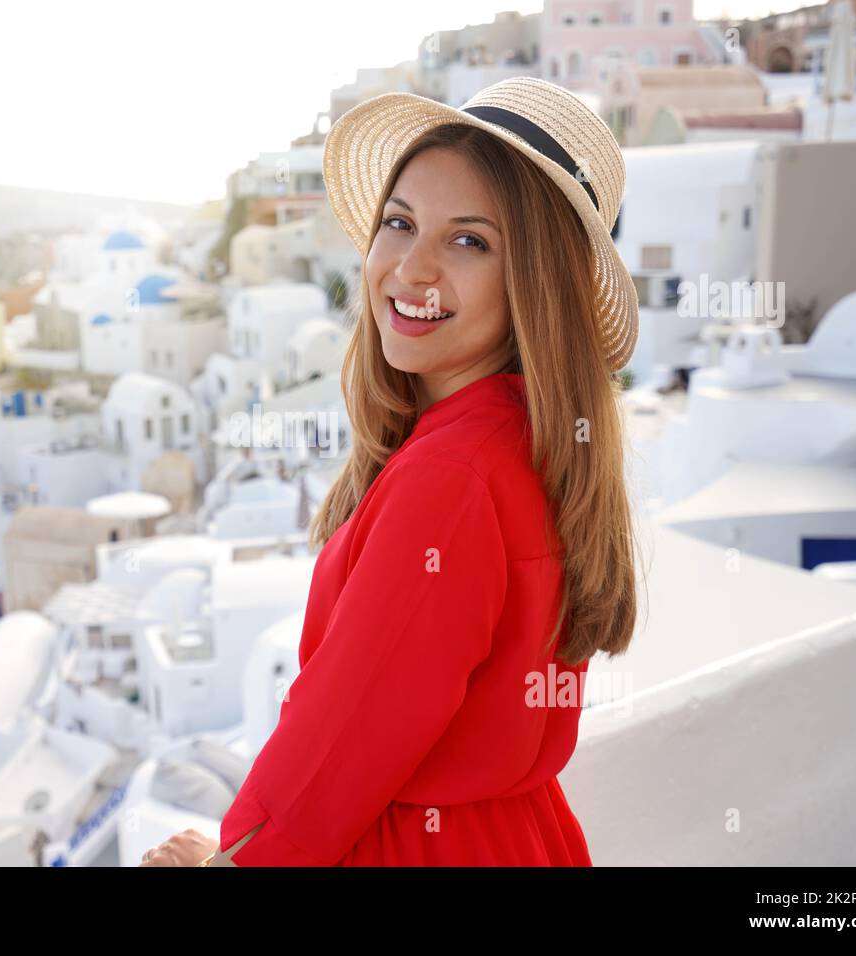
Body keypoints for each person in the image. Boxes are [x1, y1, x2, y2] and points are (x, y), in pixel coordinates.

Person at [141, 76, 640, 868]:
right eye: (399, 223)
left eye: (469, 240)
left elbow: (343, 740)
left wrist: (231, 861)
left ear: (535, 283)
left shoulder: (451, 477)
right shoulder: (526, 443)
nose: (411, 269)